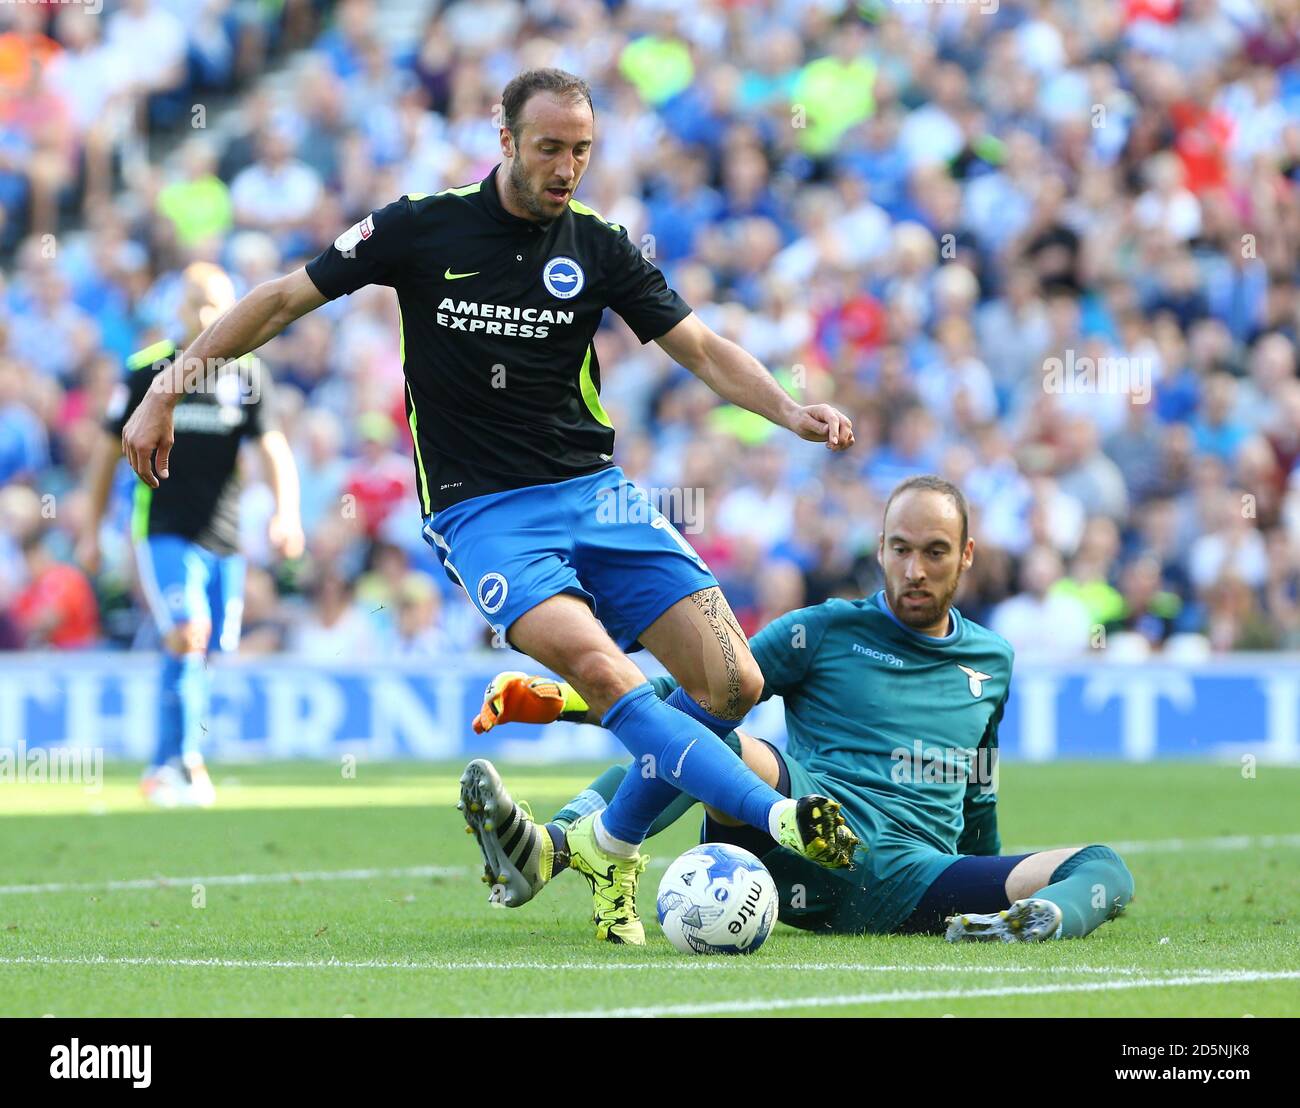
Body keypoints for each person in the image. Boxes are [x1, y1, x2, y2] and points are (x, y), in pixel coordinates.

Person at [119, 68, 858, 943]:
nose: (566, 167)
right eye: (549, 147)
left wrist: (789, 410)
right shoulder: (418, 227)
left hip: (599, 496)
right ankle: (775, 817)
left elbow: (698, 346)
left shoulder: (598, 247)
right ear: (504, 140)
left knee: (735, 683)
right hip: (487, 514)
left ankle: (602, 840)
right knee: (602, 668)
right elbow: (282, 299)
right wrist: (171, 385)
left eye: (581, 150)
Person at [465, 476, 1135, 942]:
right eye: (900, 549)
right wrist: (573, 703)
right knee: (713, 740)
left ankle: (1036, 921)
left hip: (917, 876)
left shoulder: (993, 659)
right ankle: (551, 845)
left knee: (1103, 864)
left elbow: (979, 785)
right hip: (805, 833)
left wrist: (993, 874)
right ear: (880, 549)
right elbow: (698, 699)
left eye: (934, 553)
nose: (914, 570)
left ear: (965, 557)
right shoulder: (823, 630)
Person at [81, 262, 303, 807]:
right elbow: (106, 455)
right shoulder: (146, 371)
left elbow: (273, 449)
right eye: (194, 302)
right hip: (161, 530)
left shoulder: (248, 375)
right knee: (187, 634)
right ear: (176, 307)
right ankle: (185, 763)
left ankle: (162, 764)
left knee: (202, 649)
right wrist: (89, 530)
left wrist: (286, 514)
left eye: (216, 304)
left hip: (222, 537)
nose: (204, 314)